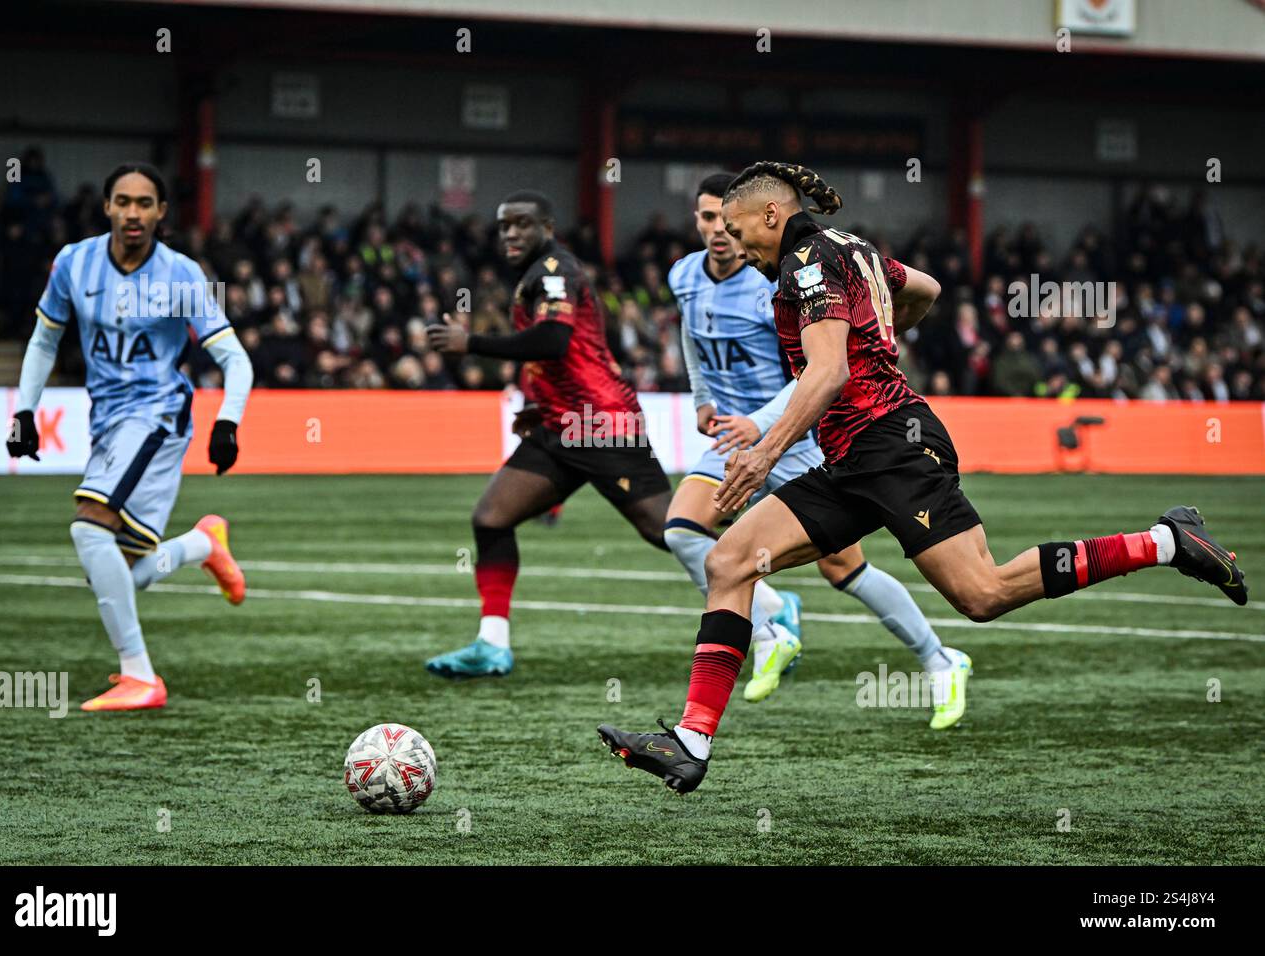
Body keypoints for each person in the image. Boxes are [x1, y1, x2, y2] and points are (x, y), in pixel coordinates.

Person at [599, 162, 1247, 793]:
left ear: (773, 213)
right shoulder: (848, 248)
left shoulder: (806, 263)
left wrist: (764, 453)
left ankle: (1165, 542)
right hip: (853, 460)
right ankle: (691, 742)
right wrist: (882, 336)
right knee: (731, 562)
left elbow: (827, 375)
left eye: (740, 231)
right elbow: (928, 290)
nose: (736, 246)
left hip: (895, 449)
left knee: (983, 595)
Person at [667, 173, 967, 719]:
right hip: (735, 436)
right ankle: (772, 625)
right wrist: (702, 398)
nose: (719, 232)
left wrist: (763, 428)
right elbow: (691, 339)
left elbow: (816, 371)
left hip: (793, 431)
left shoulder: (781, 276)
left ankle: (938, 656)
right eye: (709, 220)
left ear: (764, 216)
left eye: (726, 222)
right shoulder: (684, 276)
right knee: (687, 532)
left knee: (845, 569)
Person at [6, 162, 253, 712]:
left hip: (156, 416)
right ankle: (202, 544)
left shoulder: (183, 274)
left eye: (145, 203)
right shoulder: (74, 263)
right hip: (107, 421)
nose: (133, 213)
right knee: (129, 569)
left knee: (89, 527)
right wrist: (24, 411)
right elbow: (44, 341)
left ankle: (140, 675)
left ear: (162, 212)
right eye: (123, 201)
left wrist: (229, 421)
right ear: (107, 207)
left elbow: (233, 357)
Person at [423, 190, 671, 678]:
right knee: (492, 518)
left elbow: (554, 340)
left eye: (521, 224)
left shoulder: (554, 271)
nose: (510, 233)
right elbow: (571, 350)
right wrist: (541, 404)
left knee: (669, 532)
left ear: (547, 227)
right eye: (503, 225)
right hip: (563, 423)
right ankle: (492, 644)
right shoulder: (543, 274)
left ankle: (769, 607)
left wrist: (470, 342)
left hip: (600, 423)